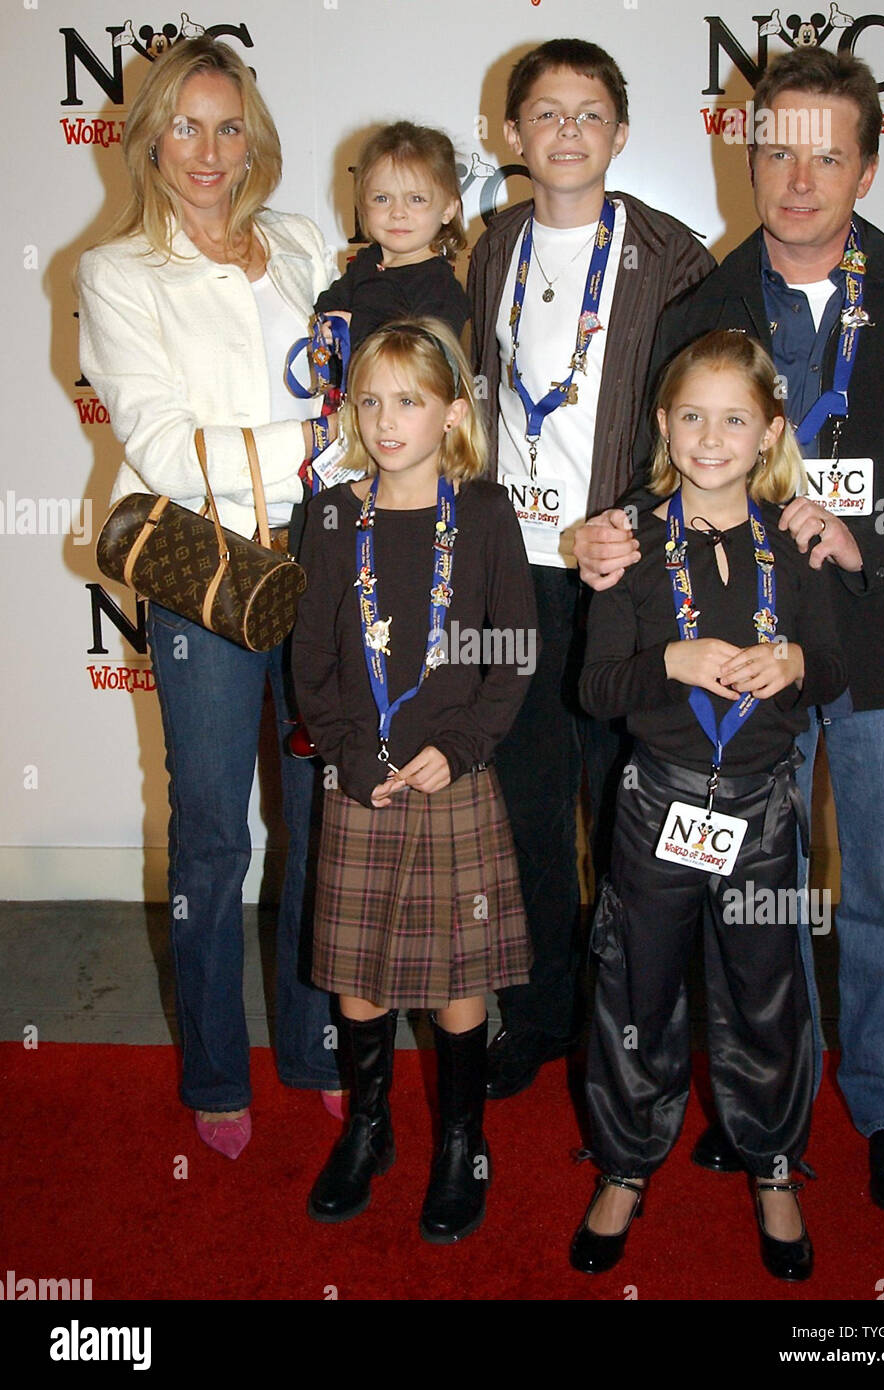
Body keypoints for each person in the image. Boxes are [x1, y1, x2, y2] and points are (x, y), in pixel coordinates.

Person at [575, 47, 884, 1216]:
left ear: (867, 159)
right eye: (776, 149)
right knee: (758, 891)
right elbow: (649, 468)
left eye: (825, 153)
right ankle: (764, 1101)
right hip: (738, 662)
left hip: (883, 639)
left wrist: (870, 542)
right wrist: (605, 540)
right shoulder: (700, 306)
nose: (798, 177)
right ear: (745, 151)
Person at [77, 36, 343, 1158]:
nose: (207, 151)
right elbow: (159, 446)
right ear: (146, 139)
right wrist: (322, 441)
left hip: (324, 565)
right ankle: (215, 1071)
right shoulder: (114, 270)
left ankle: (319, 1043)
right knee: (210, 841)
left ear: (256, 138)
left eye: (228, 126)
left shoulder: (302, 243)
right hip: (207, 580)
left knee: (323, 823)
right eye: (182, 126)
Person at [467, 38, 715, 1099]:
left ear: (619, 133)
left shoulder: (675, 259)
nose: (565, 131)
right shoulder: (486, 249)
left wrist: (622, 525)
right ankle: (535, 1017)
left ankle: (633, 1027)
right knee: (522, 812)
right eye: (545, 113)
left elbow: (701, 433)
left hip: (620, 585)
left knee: (629, 816)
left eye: (587, 113)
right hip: (507, 580)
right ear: (510, 135)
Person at [571, 329, 846, 1279]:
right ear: (663, 425)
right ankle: (624, 1161)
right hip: (657, 811)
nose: (712, 437)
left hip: (764, 813)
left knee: (763, 994)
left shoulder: (796, 541)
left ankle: (771, 1162)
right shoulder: (630, 541)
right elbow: (596, 687)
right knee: (635, 991)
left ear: (770, 431)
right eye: (692, 416)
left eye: (735, 419)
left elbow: (840, 664)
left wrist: (798, 661)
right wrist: (669, 663)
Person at [292, 320, 537, 1242]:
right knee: (358, 972)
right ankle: (367, 1127)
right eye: (369, 401)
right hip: (360, 781)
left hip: (452, 781)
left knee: (456, 978)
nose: (386, 421)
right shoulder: (327, 516)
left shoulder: (482, 514)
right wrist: (351, 753)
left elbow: (511, 652)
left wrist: (464, 745)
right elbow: (309, 659)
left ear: (450, 410)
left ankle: (460, 1144)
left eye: (408, 401)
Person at [313, 121, 470, 354]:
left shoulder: (440, 286)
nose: (397, 213)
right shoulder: (366, 263)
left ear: (448, 209)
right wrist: (328, 325)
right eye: (382, 199)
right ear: (362, 206)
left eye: (416, 199)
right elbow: (327, 305)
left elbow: (423, 353)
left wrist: (355, 327)